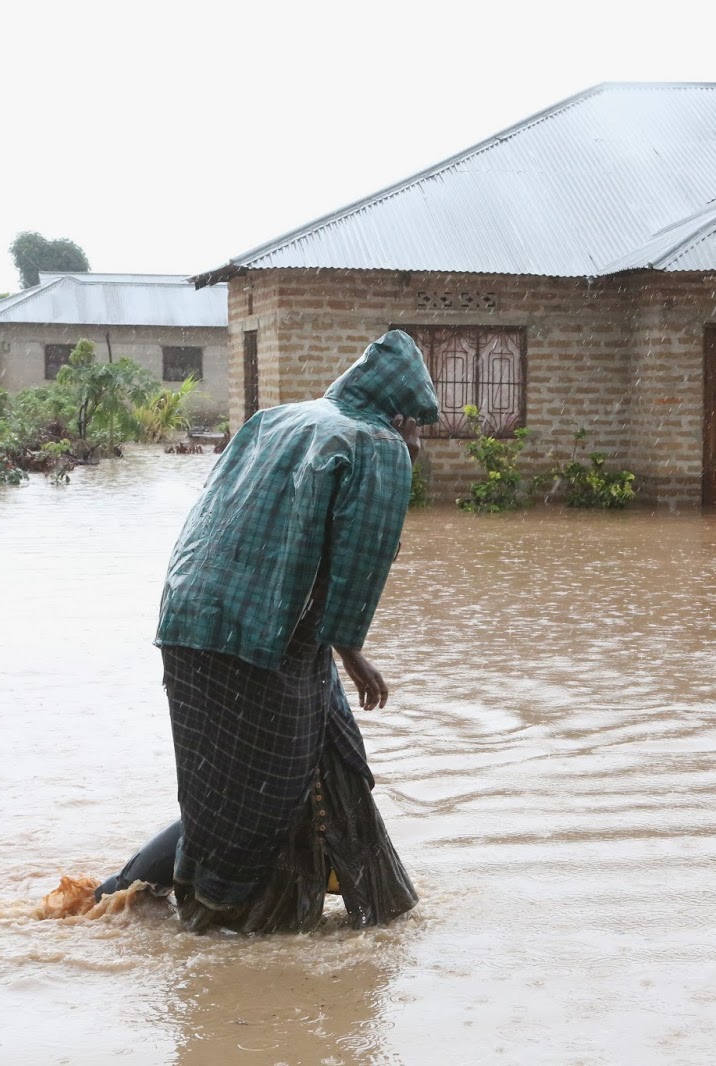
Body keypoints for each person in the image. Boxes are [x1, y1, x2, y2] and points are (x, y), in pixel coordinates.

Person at [96, 330, 440, 934]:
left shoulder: (277, 419)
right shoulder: (377, 442)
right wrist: (351, 648)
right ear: (403, 412)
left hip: (193, 619)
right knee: (259, 795)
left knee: (292, 767)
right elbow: (363, 556)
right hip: (264, 640)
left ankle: (376, 911)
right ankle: (183, 913)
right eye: (418, 427)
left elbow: (212, 512)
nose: (418, 440)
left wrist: (326, 642)